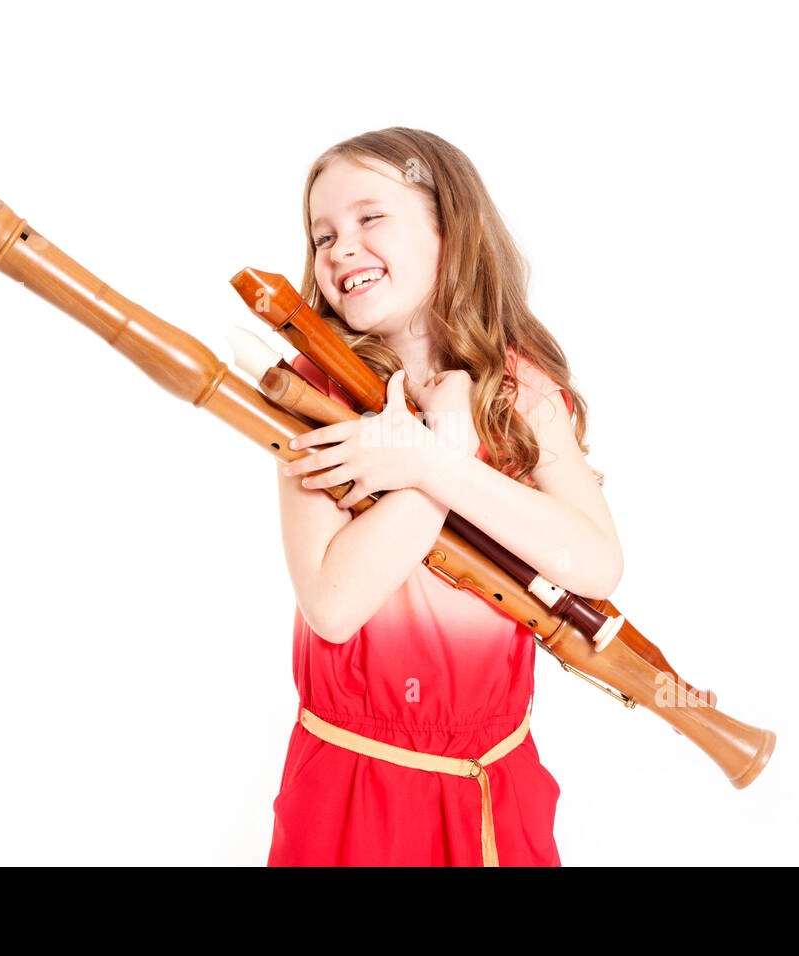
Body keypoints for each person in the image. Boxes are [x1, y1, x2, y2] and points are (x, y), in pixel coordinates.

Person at [268, 127, 623, 866]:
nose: (339, 247)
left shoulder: (521, 392)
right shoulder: (314, 394)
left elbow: (594, 567)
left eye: (370, 218)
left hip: (495, 779)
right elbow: (333, 605)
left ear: (448, 227)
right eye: (322, 233)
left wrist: (437, 457)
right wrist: (446, 445)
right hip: (352, 782)